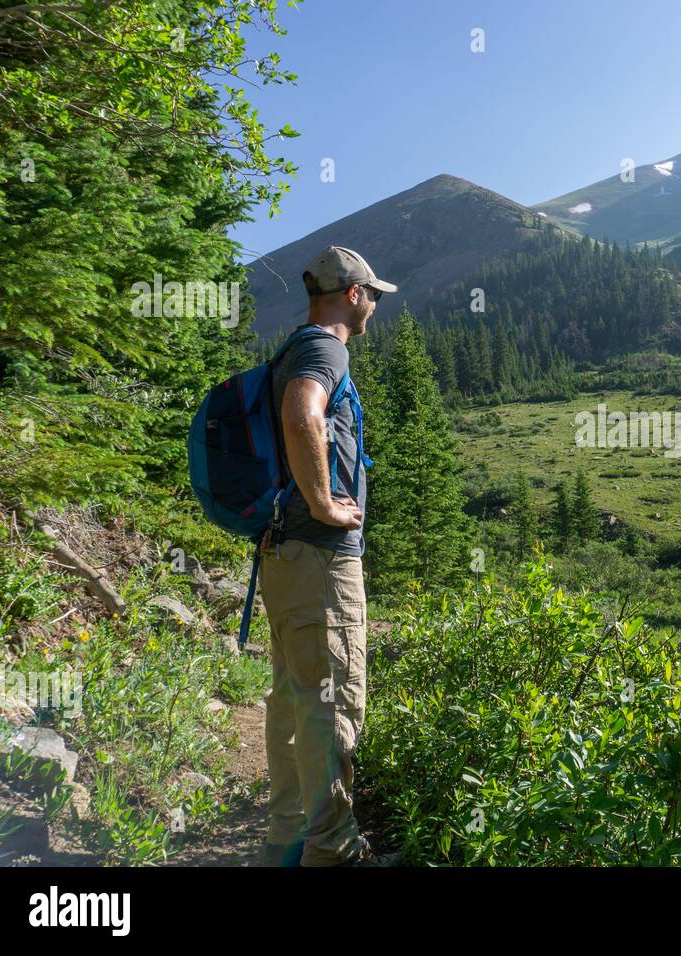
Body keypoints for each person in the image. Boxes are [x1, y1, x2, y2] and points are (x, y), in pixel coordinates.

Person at [257, 246, 395, 867]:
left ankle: (286, 841)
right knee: (333, 700)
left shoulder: (293, 345)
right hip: (318, 559)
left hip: (285, 556)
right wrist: (326, 505)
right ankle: (333, 853)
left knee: (292, 697)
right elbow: (301, 414)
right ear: (354, 294)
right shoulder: (325, 349)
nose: (375, 306)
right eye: (374, 295)